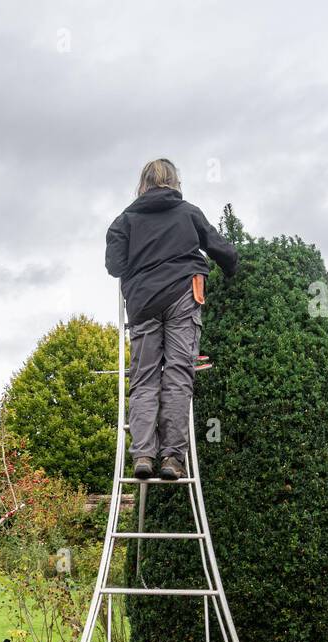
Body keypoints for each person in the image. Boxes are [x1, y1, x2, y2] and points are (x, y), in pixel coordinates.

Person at [104, 159, 238, 481]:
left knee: (144, 378)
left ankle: (144, 455)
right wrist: (232, 268)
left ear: (143, 184)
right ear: (175, 182)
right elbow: (223, 252)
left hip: (143, 303)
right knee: (179, 374)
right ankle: (173, 459)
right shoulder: (189, 212)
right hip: (183, 296)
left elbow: (115, 266)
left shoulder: (125, 220)